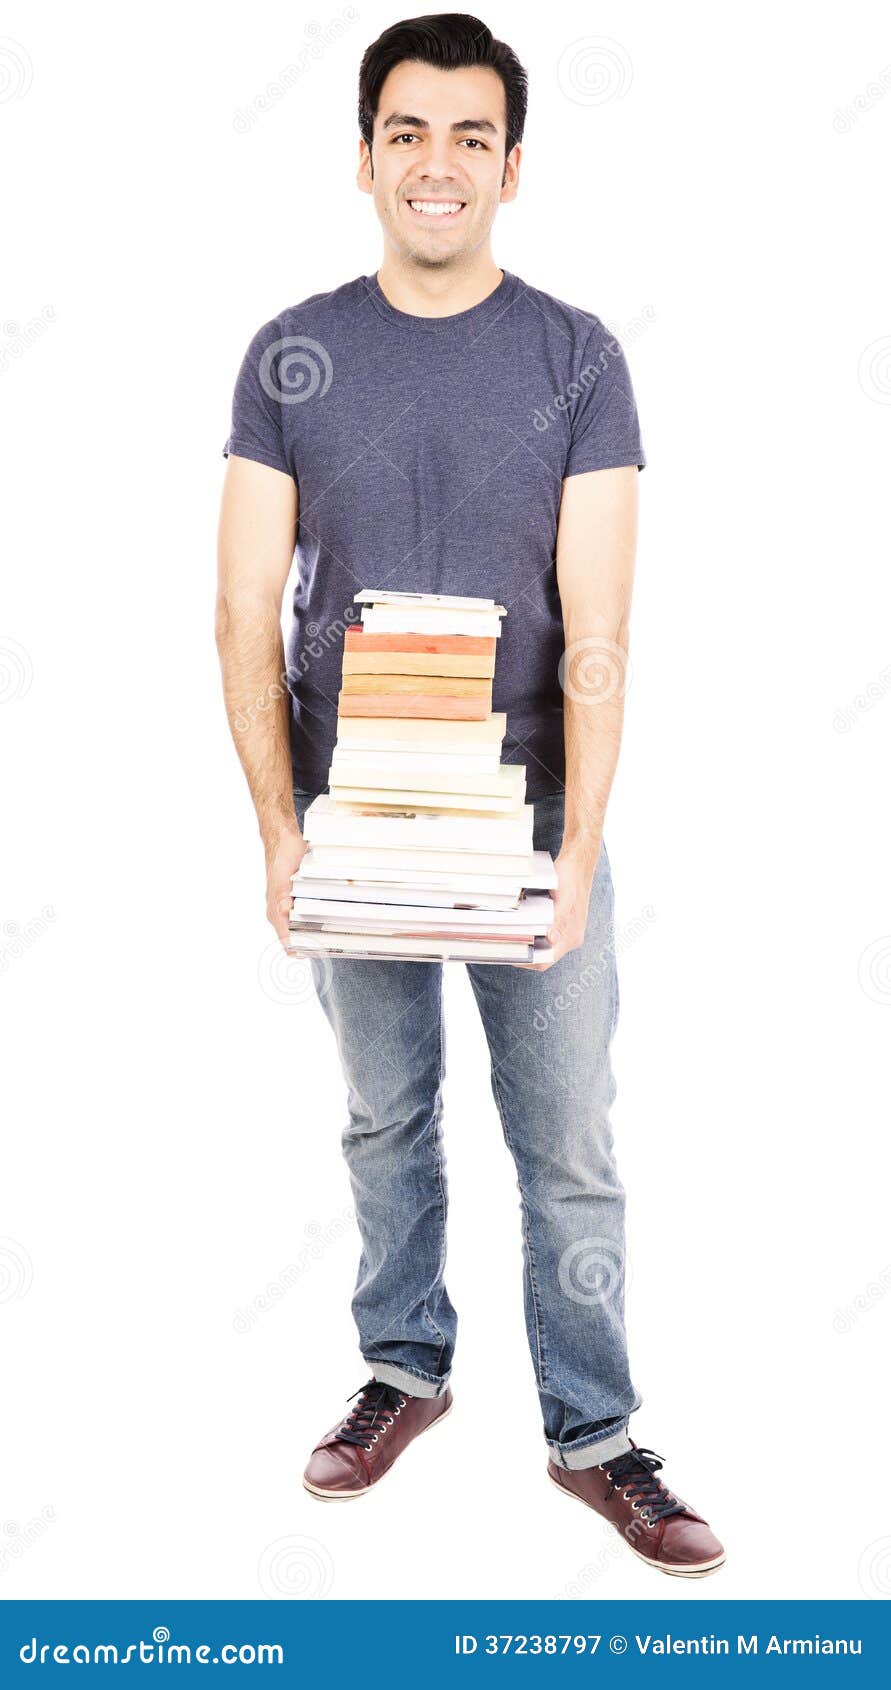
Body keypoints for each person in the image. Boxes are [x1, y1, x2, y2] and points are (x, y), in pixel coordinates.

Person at [215, 12, 725, 1576]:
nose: (439, 165)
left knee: (566, 1131)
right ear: (364, 157)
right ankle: (403, 1367)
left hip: (527, 795)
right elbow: (242, 611)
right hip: (352, 799)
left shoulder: (580, 356)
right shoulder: (290, 351)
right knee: (385, 1112)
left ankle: (596, 1432)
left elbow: (602, 627)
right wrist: (280, 834)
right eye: (409, 134)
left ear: (514, 166)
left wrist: (576, 854)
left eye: (472, 138)